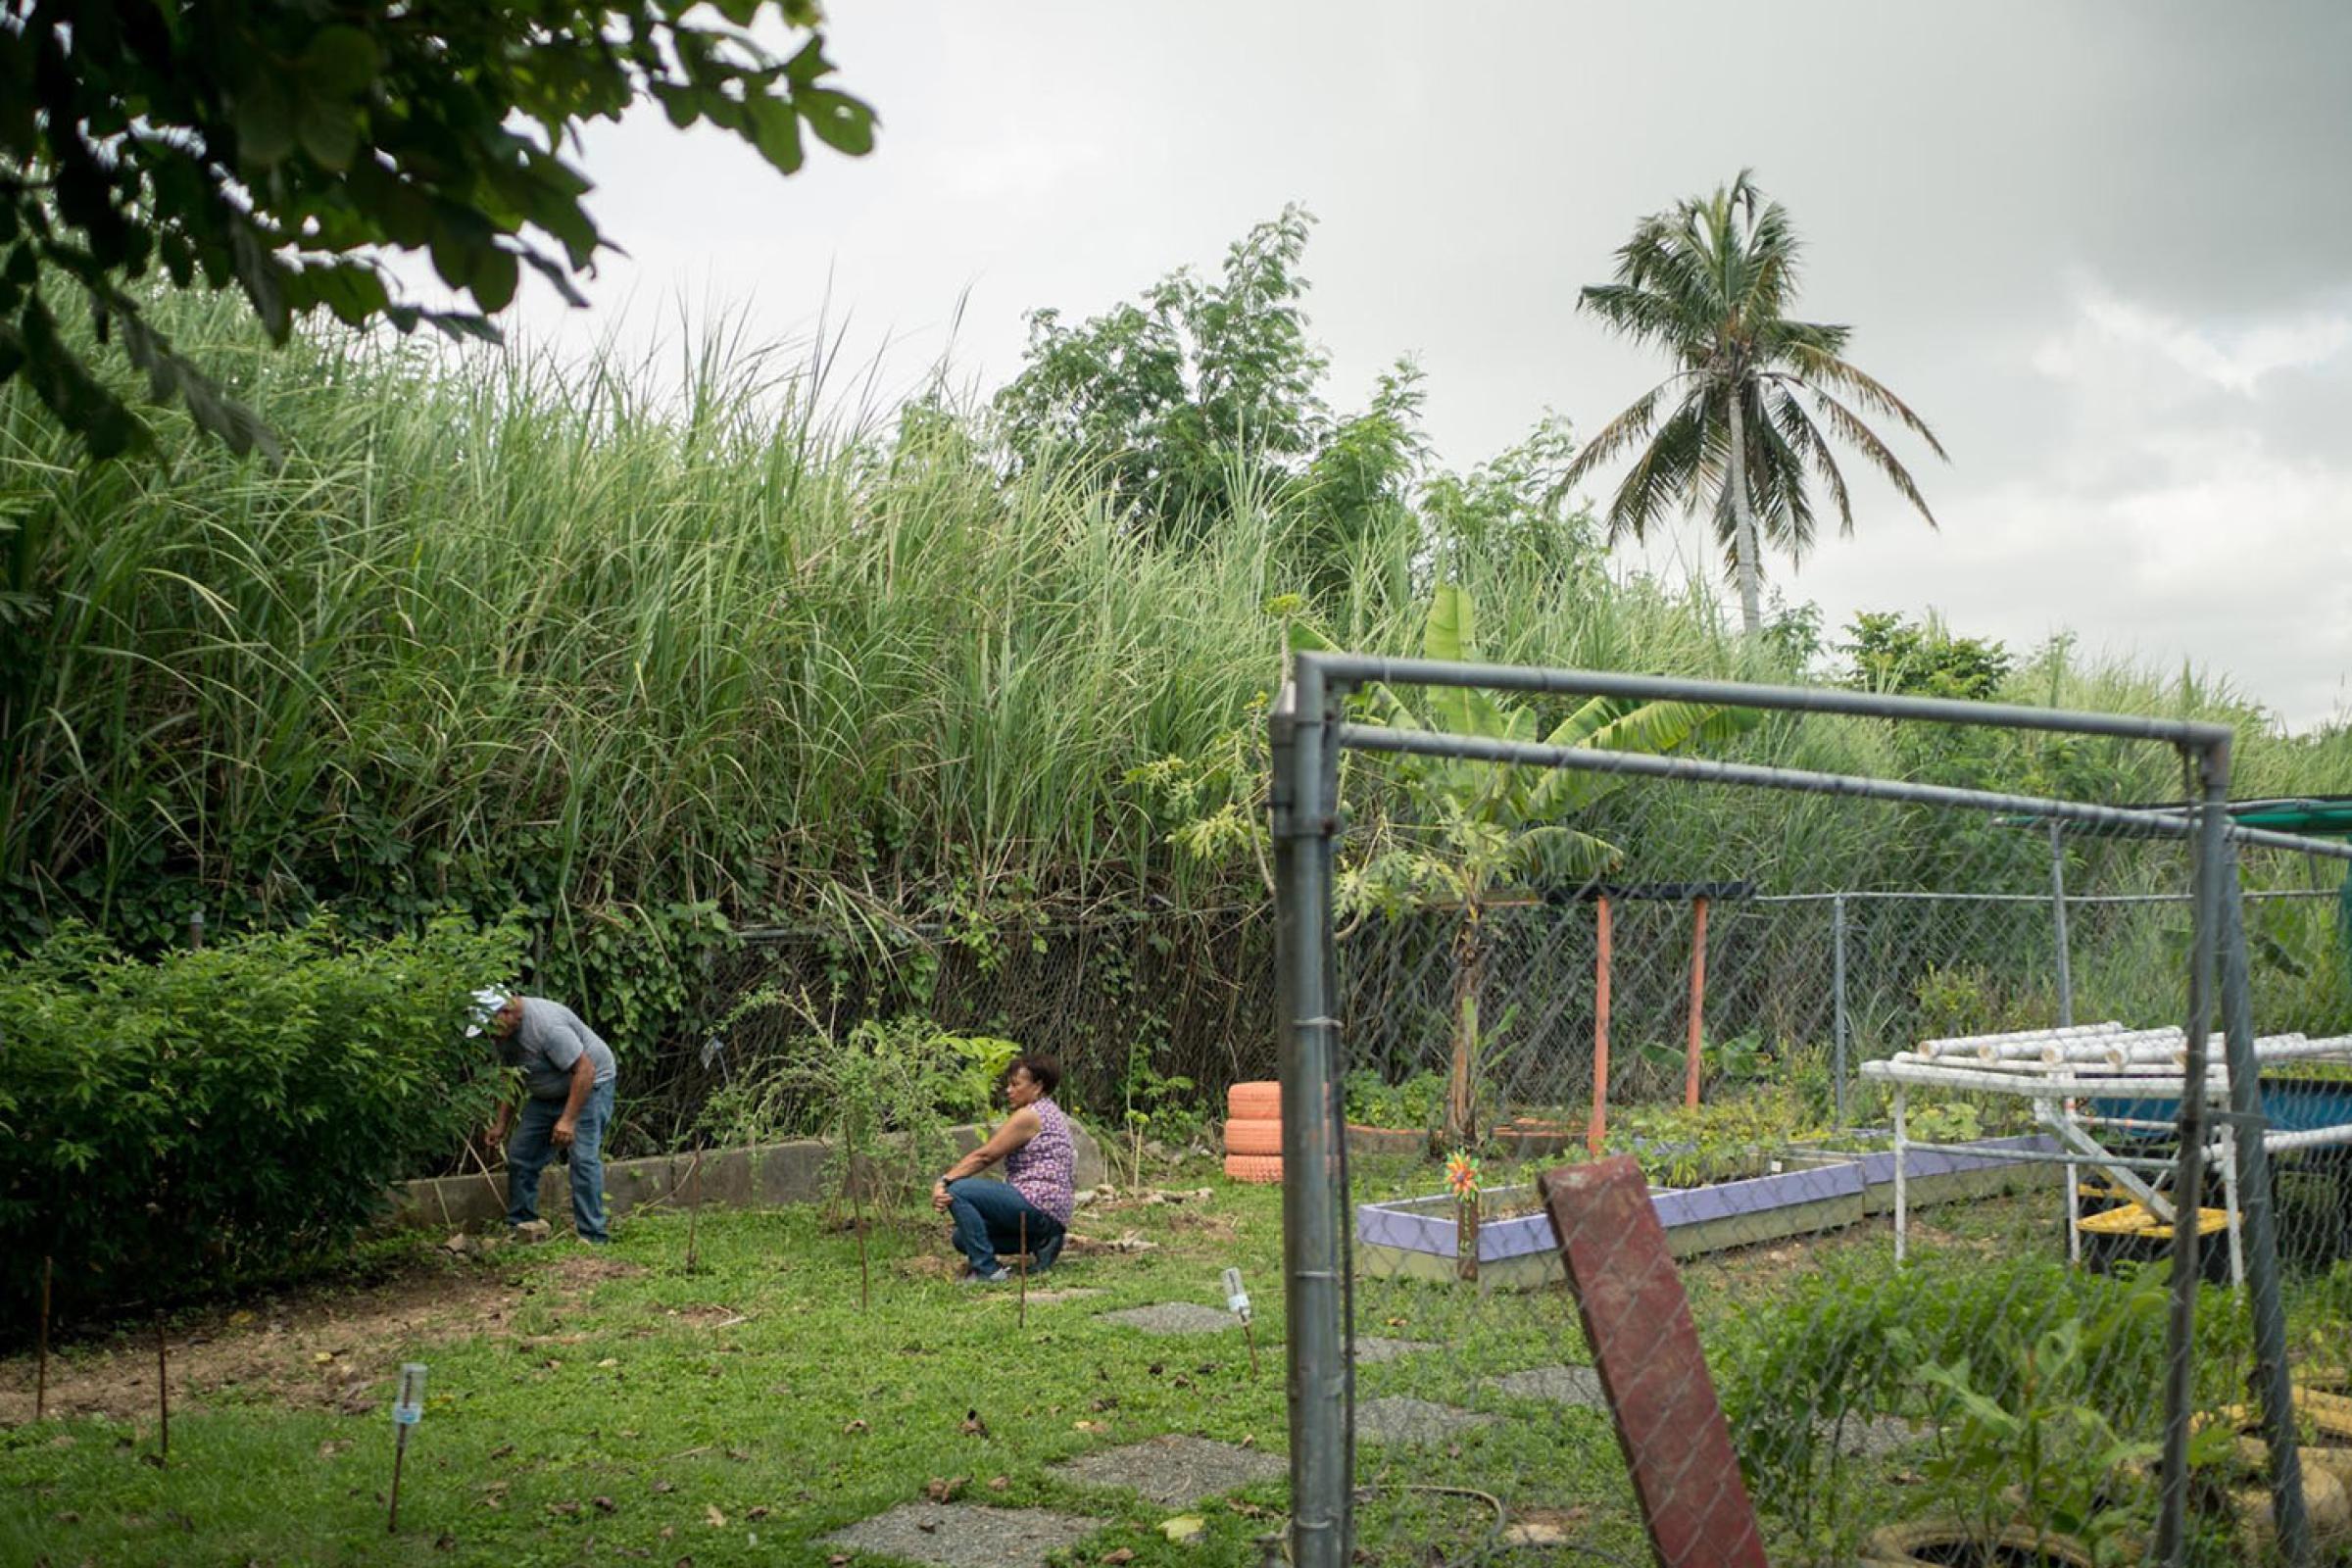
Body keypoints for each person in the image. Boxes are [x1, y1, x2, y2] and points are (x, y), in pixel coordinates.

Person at [469, 987, 619, 1245]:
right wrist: (501, 1123)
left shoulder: (548, 1028)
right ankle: (522, 1225)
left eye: (490, 1028)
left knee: (583, 1158)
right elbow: (511, 1078)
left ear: (506, 1011)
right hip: (547, 1093)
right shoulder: (504, 1034)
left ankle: (593, 1236)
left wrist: (568, 1120)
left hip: (590, 1086)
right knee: (521, 1155)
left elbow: (585, 1071)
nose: (489, 1036)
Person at [931, 1054, 1075, 1282]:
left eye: (1016, 1085)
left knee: (958, 1191)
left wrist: (945, 1181)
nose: (1008, 1091)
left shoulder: (1029, 1116)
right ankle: (1042, 1240)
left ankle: (988, 1271)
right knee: (962, 1238)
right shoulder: (1049, 1111)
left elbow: (985, 1156)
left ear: (1038, 1086)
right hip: (1051, 1214)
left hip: (1038, 1203)